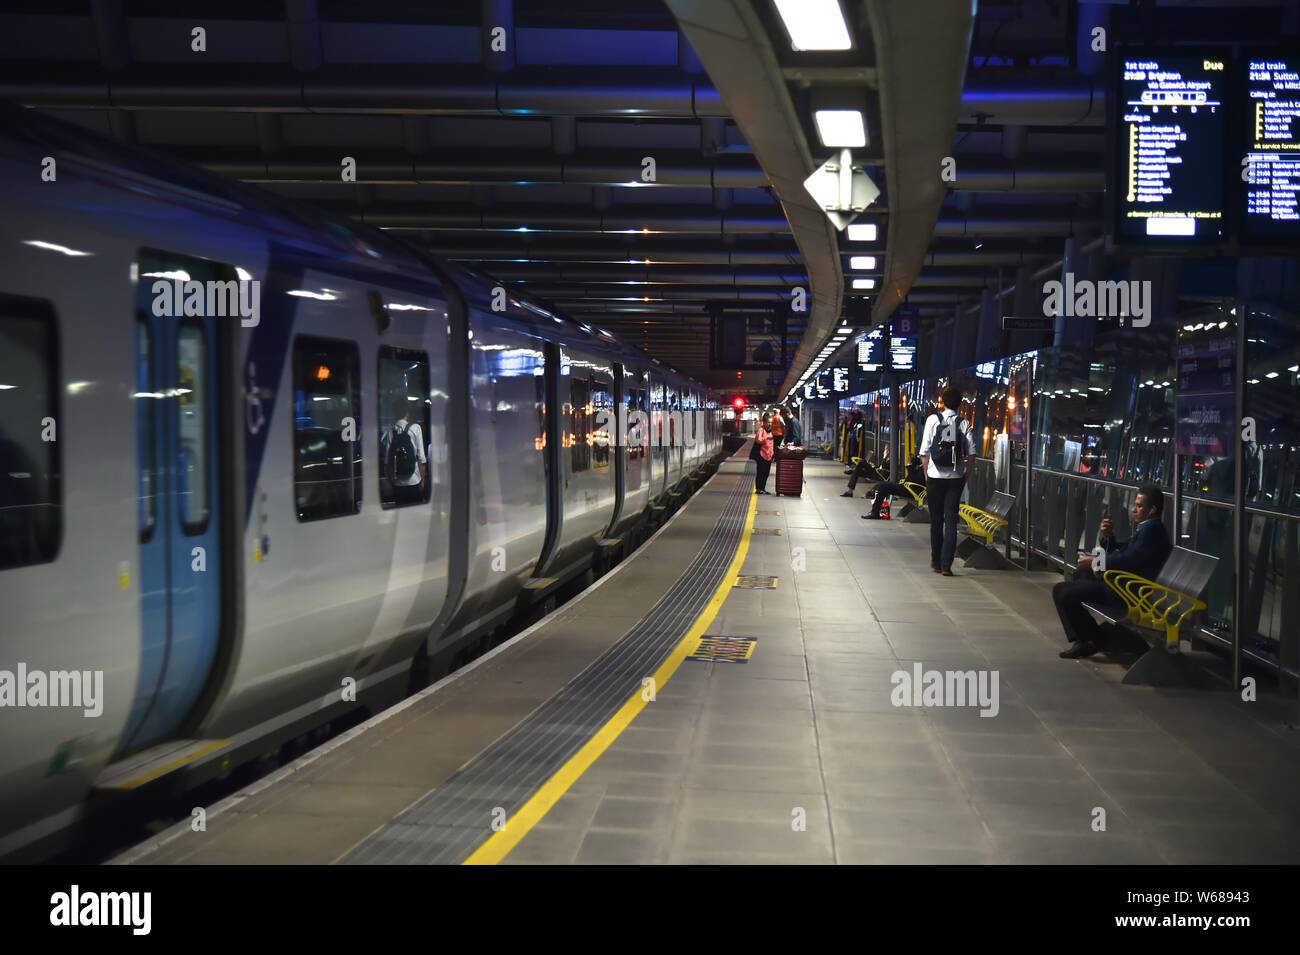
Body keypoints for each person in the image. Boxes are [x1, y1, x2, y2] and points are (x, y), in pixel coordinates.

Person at [1055, 485, 1172, 659]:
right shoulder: (1148, 528)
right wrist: (1108, 537)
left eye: (1139, 506)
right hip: (1123, 585)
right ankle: (1087, 638)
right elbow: (1125, 552)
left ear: (1152, 509)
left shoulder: (1153, 532)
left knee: (1062, 592)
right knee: (1078, 576)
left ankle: (1096, 639)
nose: (1133, 509)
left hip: (1128, 593)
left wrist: (1096, 562)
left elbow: (1126, 559)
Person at [919, 386, 975, 575]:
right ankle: (946, 565)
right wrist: (965, 475)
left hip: (935, 478)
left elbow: (924, 452)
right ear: (960, 404)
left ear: (943, 401)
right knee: (951, 521)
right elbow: (972, 455)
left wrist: (927, 475)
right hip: (955, 479)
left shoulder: (933, 420)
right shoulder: (963, 423)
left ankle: (935, 560)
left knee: (936, 520)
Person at [380, 405, 427, 503]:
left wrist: (392, 480)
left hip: (398, 483)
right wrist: (422, 480)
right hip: (414, 481)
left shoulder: (391, 431)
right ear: (407, 413)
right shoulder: (416, 428)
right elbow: (421, 458)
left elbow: (387, 461)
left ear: (394, 414)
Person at [860, 456, 925, 519]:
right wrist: (912, 465)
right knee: (882, 485)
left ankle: (875, 511)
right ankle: (875, 509)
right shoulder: (919, 467)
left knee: (883, 486)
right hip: (907, 487)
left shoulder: (925, 469)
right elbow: (910, 477)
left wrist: (914, 467)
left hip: (912, 491)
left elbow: (916, 480)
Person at [751, 412, 775, 494]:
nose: (770, 424)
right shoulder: (761, 430)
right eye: (768, 422)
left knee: (766, 473)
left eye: (771, 422)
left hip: (769, 455)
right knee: (761, 472)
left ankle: (763, 488)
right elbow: (758, 440)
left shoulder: (772, 431)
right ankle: (758, 488)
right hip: (761, 454)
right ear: (764, 422)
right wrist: (766, 439)